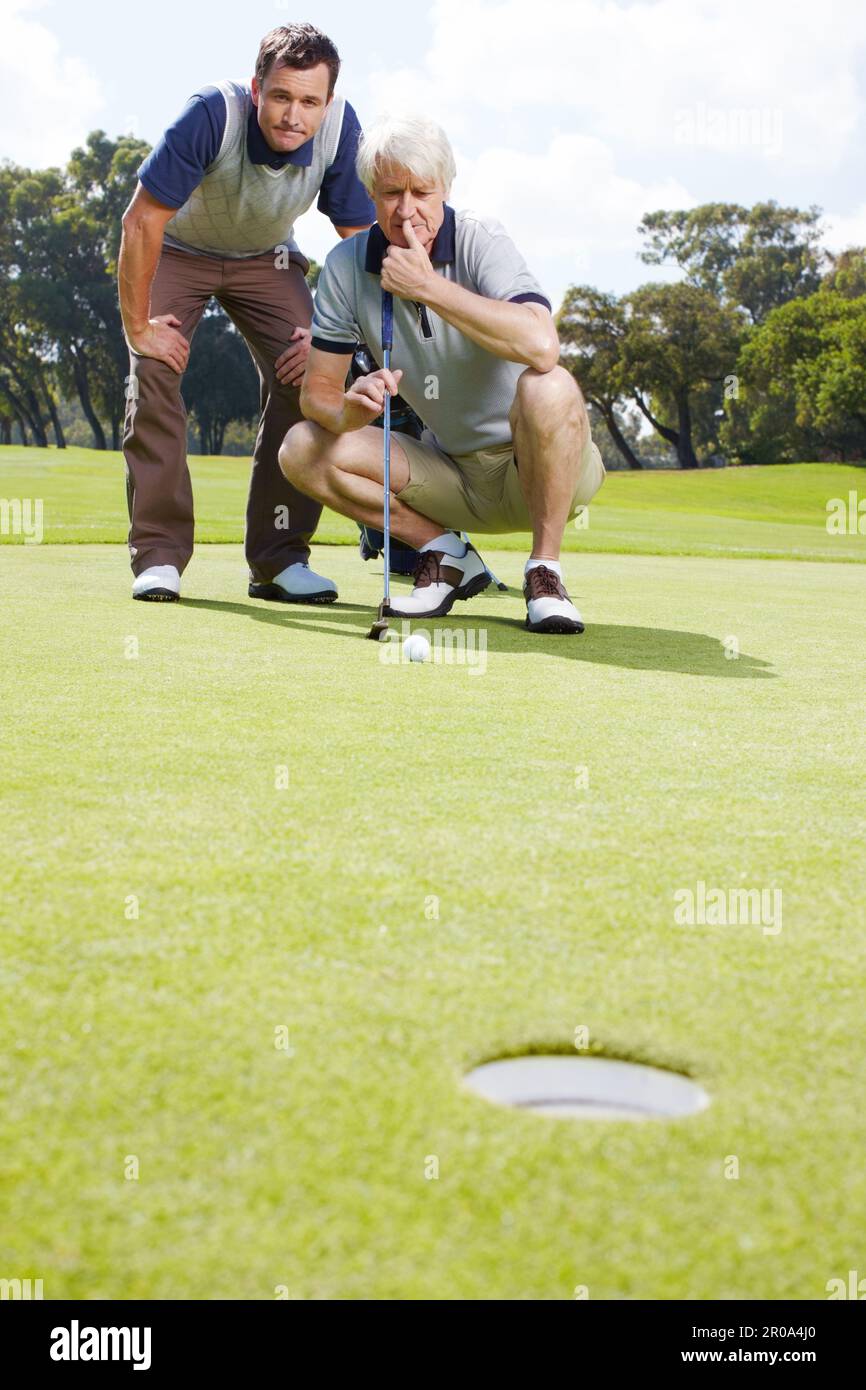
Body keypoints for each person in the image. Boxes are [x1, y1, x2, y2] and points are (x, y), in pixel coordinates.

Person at [277, 113, 605, 634]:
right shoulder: (345, 266)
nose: (407, 210)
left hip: (540, 469)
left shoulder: (480, 239)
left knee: (552, 384)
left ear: (445, 189)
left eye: (421, 192)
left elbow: (542, 344)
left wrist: (429, 288)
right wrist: (348, 407)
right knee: (300, 447)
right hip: (455, 476)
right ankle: (444, 552)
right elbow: (317, 396)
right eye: (390, 193)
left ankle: (545, 572)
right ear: (370, 193)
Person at [118, 23, 374, 603]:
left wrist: (333, 338)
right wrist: (139, 330)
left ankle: (279, 560)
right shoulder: (212, 114)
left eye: (310, 101)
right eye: (281, 97)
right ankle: (158, 556)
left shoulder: (341, 129)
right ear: (258, 89)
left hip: (267, 256)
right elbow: (141, 222)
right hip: (178, 250)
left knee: (311, 376)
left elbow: (359, 244)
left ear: (328, 101)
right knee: (155, 371)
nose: (293, 115)